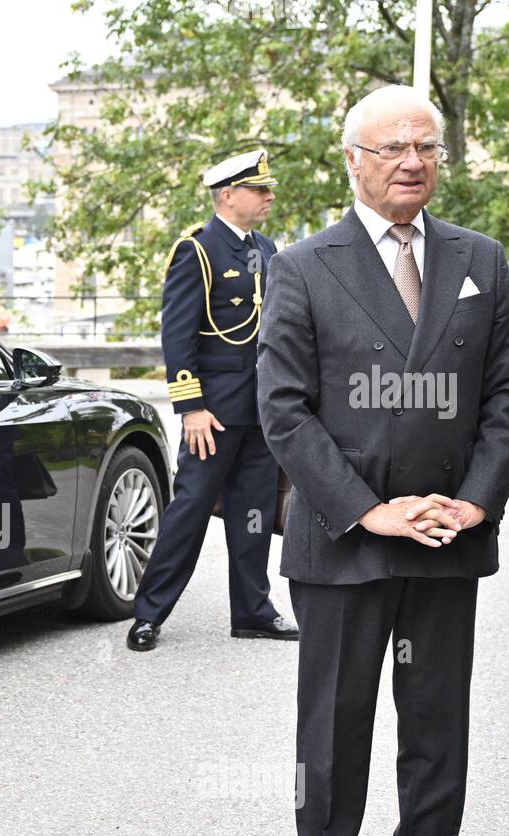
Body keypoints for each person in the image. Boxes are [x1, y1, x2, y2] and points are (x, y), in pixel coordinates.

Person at [257, 85, 509, 836]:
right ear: (353, 160)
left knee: (436, 722)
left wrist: (476, 500)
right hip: (346, 540)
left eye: (425, 146)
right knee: (333, 729)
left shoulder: (481, 260)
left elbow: (507, 395)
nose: (411, 161)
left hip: (449, 535)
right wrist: (370, 509)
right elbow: (285, 410)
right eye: (391, 149)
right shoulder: (303, 266)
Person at [127, 149, 298, 652]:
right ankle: (149, 613)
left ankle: (252, 611)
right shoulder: (197, 250)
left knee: (255, 509)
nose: (269, 197)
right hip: (215, 410)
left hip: (262, 404)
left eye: (268, 189)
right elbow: (177, 335)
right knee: (192, 507)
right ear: (228, 195)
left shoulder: (267, 247)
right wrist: (190, 408)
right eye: (259, 189)